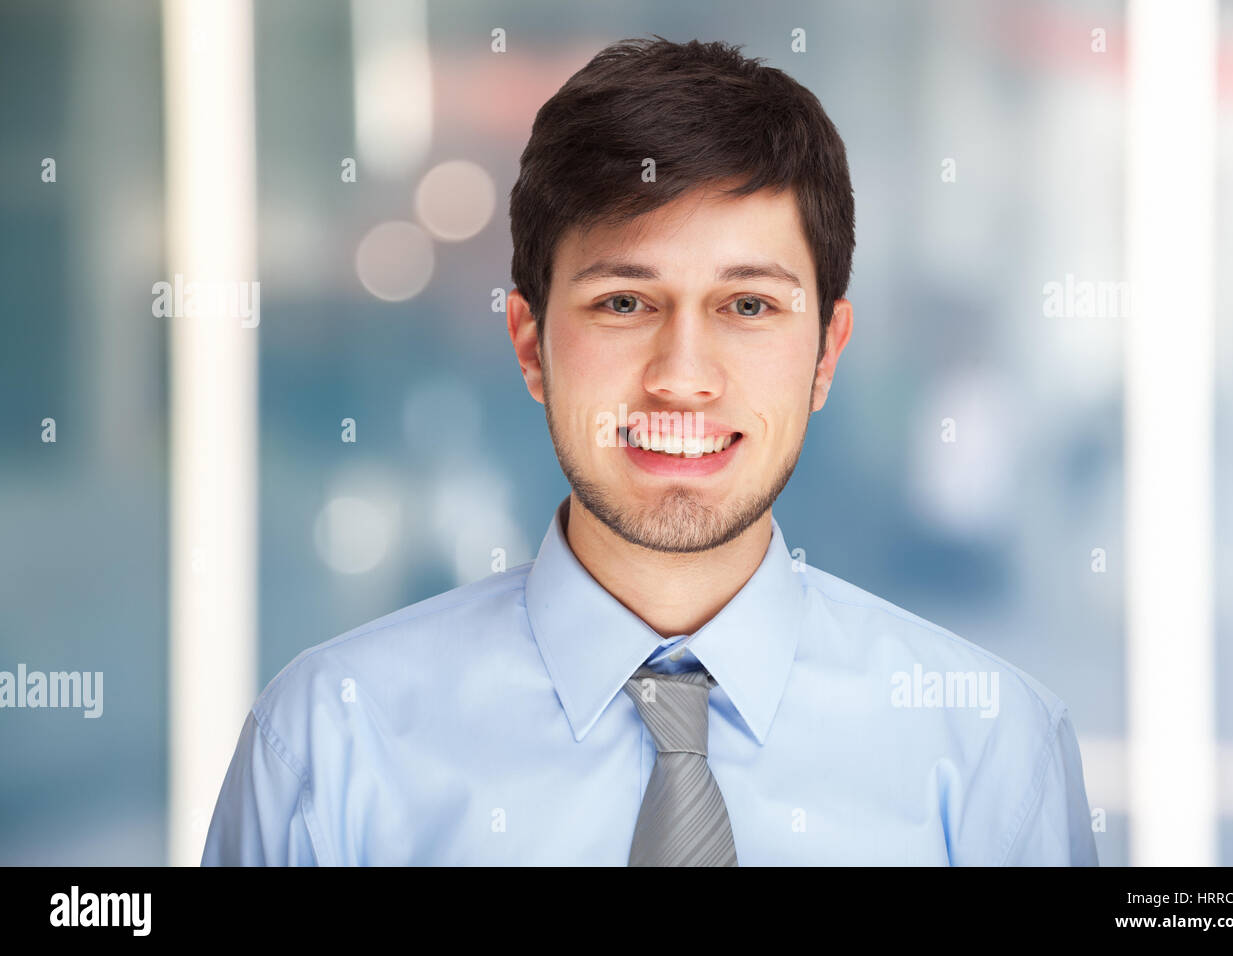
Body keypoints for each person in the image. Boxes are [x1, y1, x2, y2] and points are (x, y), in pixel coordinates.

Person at [203, 35, 1098, 866]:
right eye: (625, 303)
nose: (682, 376)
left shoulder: (988, 751)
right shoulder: (330, 743)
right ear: (529, 344)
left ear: (826, 354)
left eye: (748, 306)